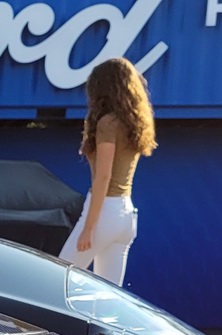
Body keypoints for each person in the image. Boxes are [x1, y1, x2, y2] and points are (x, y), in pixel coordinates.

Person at [59, 57, 156, 285]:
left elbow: (104, 176)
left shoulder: (107, 123)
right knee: (108, 296)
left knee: (59, 277)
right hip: (126, 214)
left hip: (105, 212)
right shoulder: (134, 123)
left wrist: (88, 228)